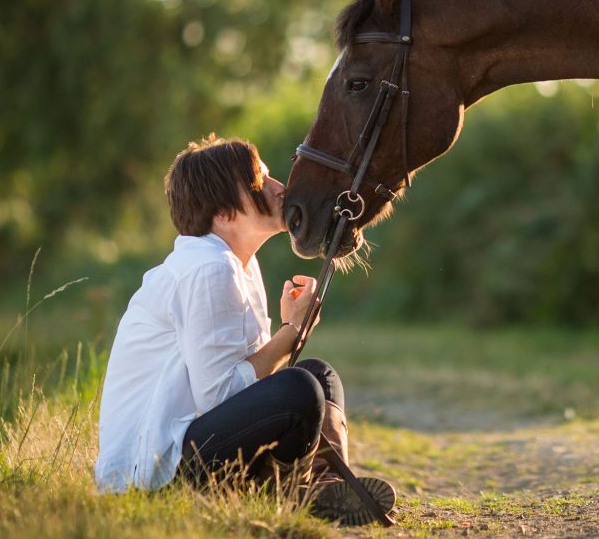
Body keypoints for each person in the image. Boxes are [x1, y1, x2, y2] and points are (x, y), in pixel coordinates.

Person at [94, 134, 394, 525]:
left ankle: (321, 488)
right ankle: (299, 494)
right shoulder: (208, 269)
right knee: (298, 390)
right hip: (154, 471)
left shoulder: (237, 264)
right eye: (259, 182)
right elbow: (218, 394)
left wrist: (292, 335)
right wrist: (290, 333)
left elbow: (245, 376)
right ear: (223, 213)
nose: (278, 187)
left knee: (318, 374)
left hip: (194, 441)